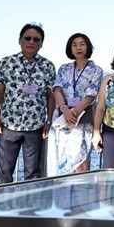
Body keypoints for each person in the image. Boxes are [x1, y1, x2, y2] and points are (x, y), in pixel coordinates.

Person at [0, 23, 56, 184]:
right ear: (20, 41)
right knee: (4, 171)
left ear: (41, 44)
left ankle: (30, 200)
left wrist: (49, 121)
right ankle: (2, 199)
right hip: (9, 125)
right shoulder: (7, 62)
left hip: (35, 127)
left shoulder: (48, 66)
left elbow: (51, 96)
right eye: (27, 38)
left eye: (36, 39)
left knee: (33, 173)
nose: (31, 42)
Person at [46, 33, 103, 176]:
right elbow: (57, 90)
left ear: (88, 47)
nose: (78, 48)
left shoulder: (96, 70)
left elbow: (91, 95)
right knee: (61, 159)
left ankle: (81, 189)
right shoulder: (63, 69)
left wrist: (75, 112)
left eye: (82, 44)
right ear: (70, 48)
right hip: (63, 119)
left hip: (83, 119)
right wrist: (65, 110)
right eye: (74, 45)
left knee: (81, 160)